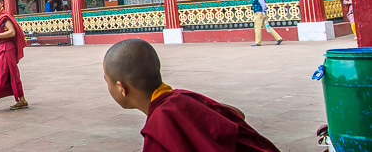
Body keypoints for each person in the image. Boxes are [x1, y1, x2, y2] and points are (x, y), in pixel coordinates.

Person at [103, 39, 281, 152]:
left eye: (107, 80)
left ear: (122, 88)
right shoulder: (184, 97)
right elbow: (236, 114)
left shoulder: (160, 126)